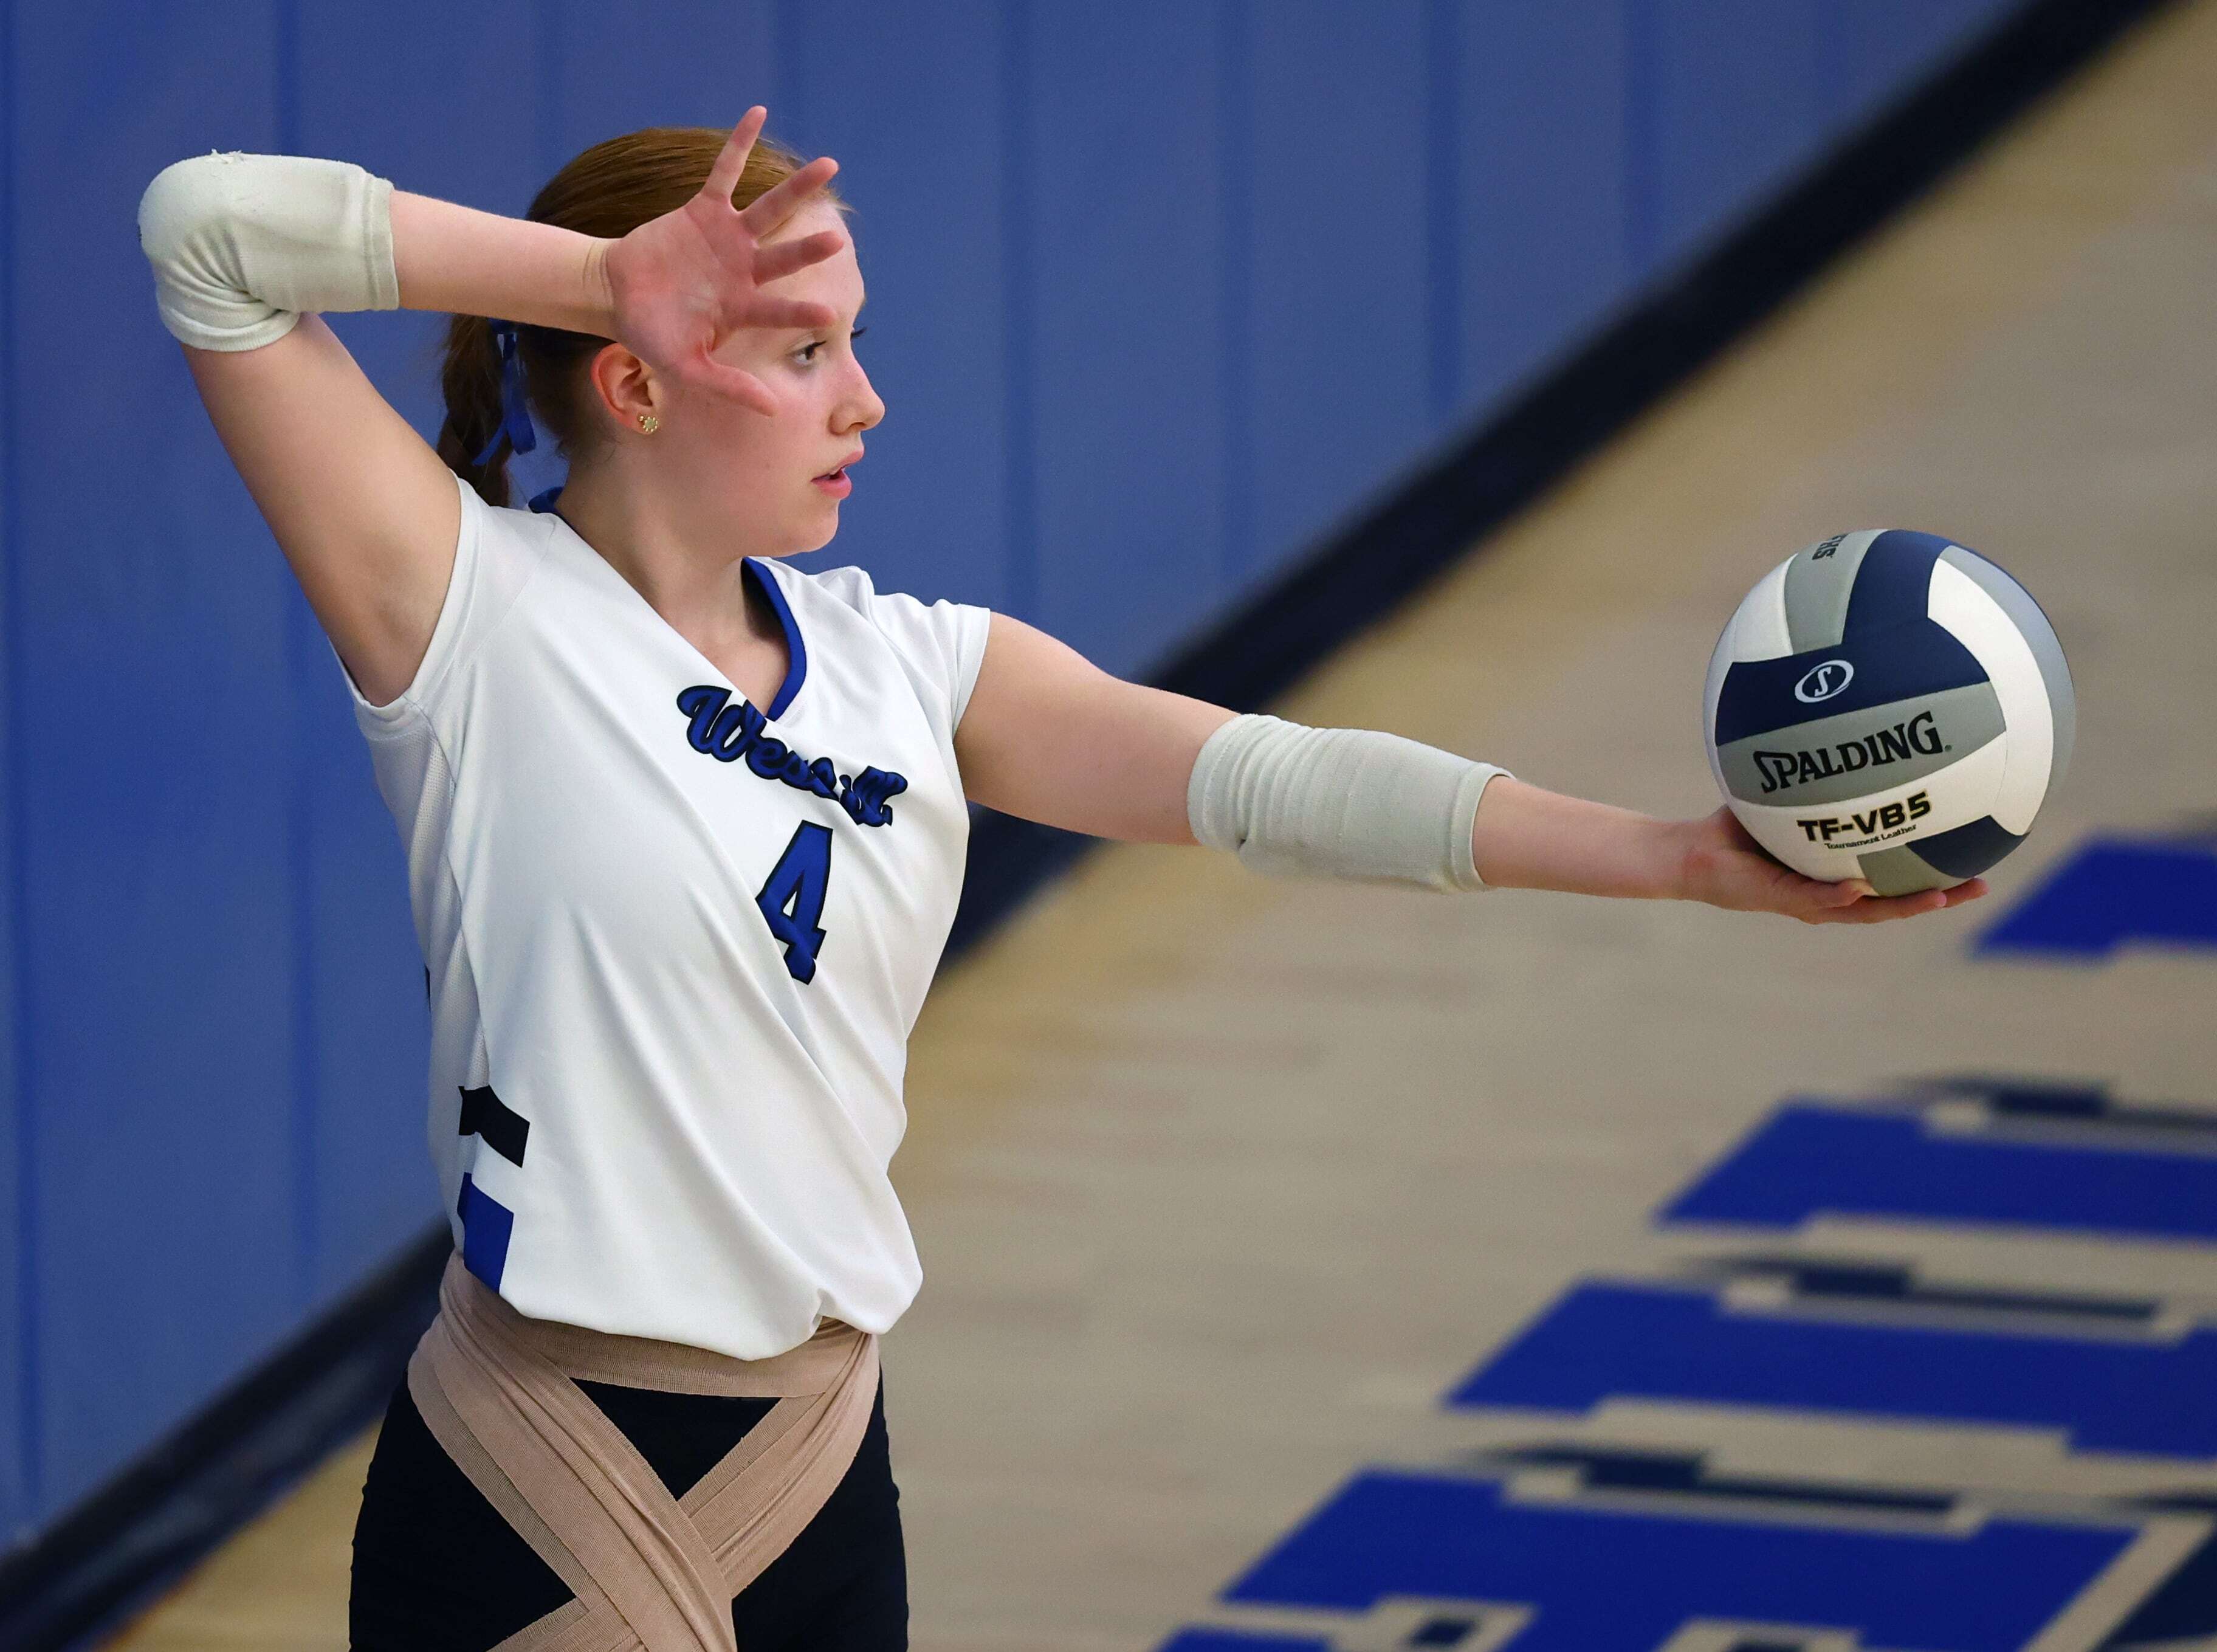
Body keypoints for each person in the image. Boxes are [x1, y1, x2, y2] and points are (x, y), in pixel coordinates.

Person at [136, 108, 1984, 1651]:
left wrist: (1674, 863)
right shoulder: (474, 623)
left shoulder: (915, 667)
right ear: (636, 375)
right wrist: (592, 268)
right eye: (800, 352)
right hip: (548, 1481)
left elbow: (1277, 782)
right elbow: (206, 235)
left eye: (852, 341)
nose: (864, 399)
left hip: (819, 1479)